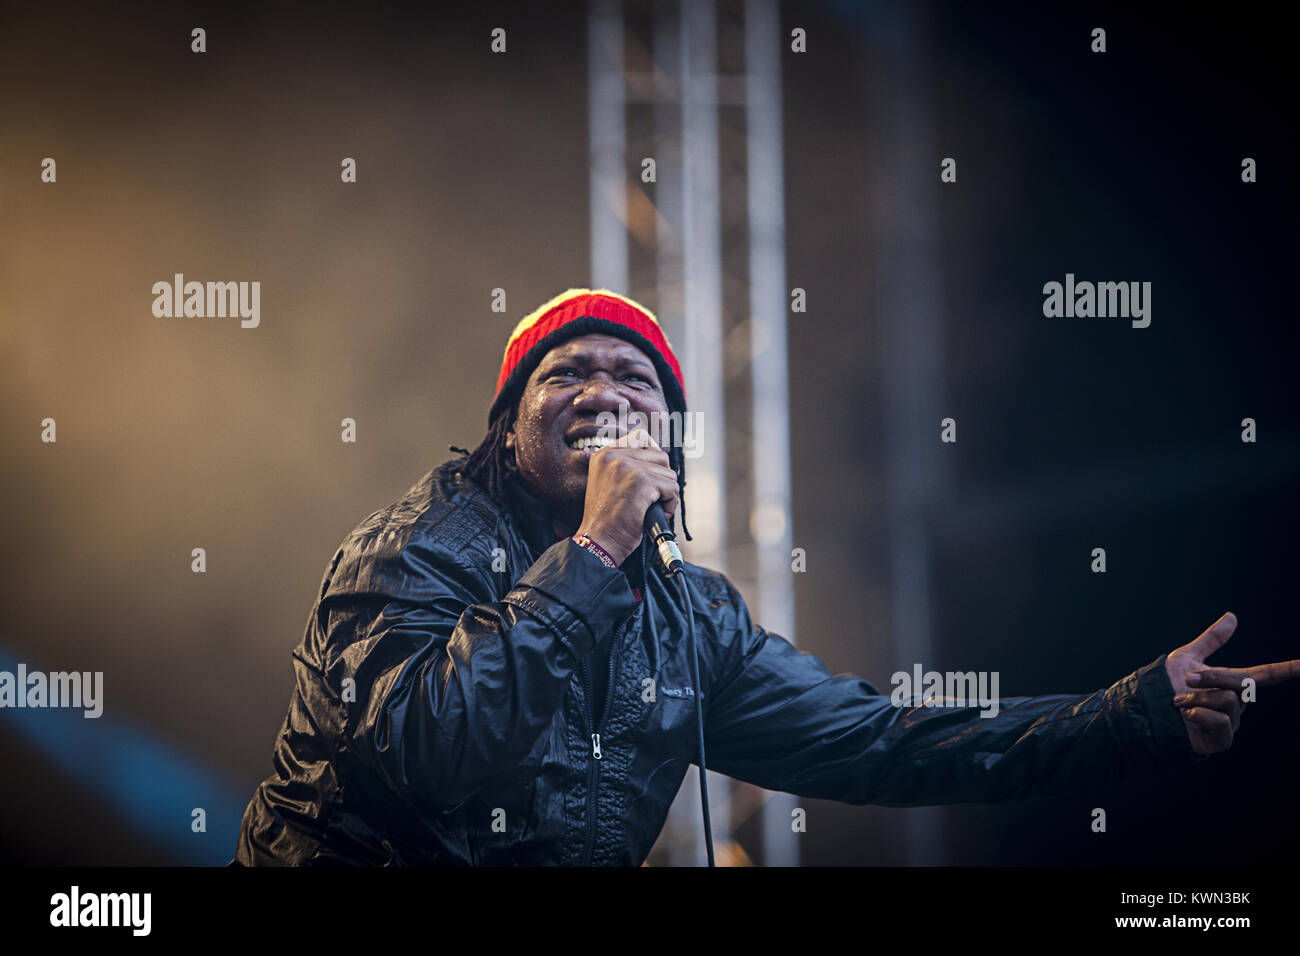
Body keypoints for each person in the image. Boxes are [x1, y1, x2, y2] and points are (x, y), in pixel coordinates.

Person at [232, 287, 1296, 866]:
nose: (603, 390)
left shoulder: (694, 623)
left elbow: (886, 741)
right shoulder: (414, 545)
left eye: (634, 378)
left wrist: (1133, 711)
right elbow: (426, 752)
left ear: (670, 445)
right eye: (567, 372)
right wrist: (596, 551)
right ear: (509, 426)